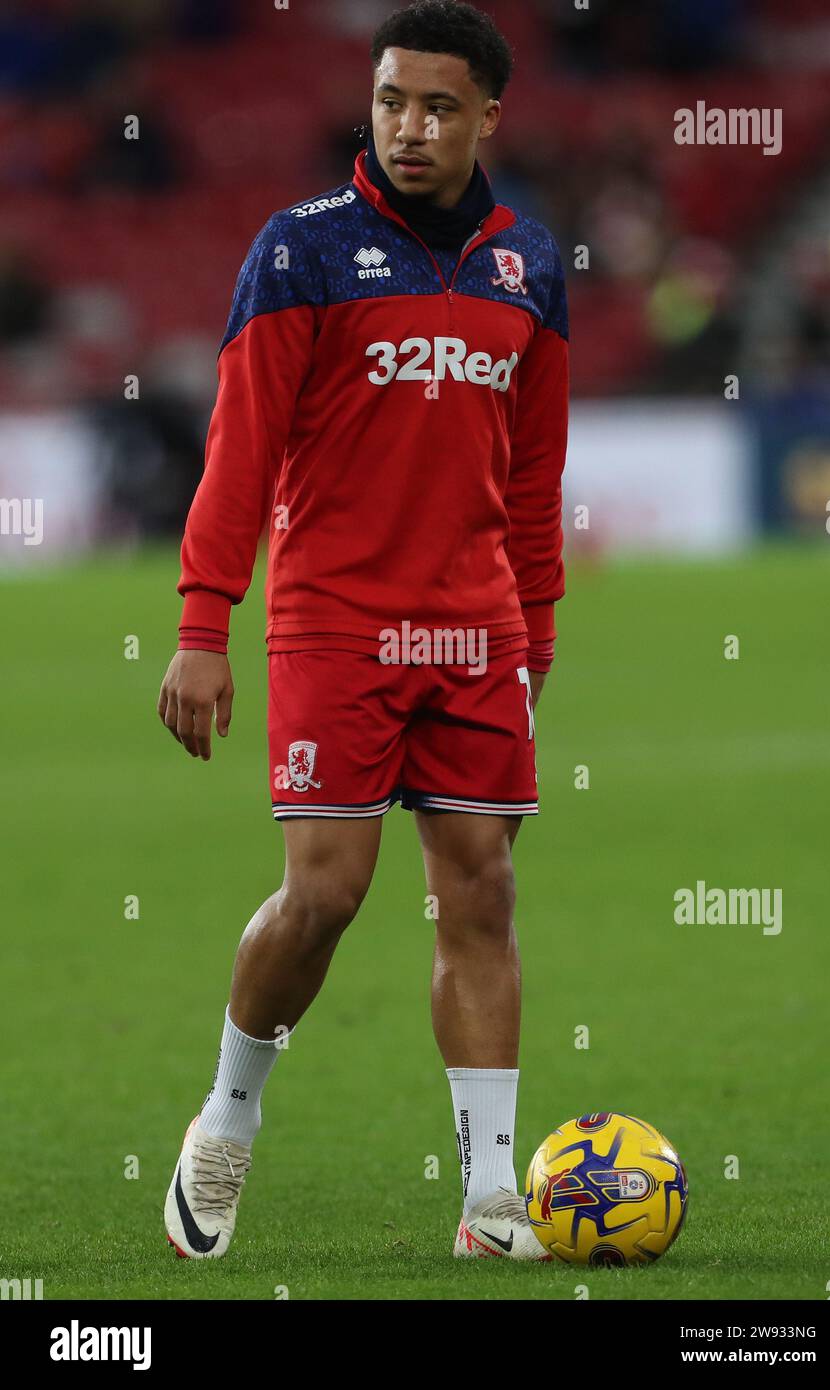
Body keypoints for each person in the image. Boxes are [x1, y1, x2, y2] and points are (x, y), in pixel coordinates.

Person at [158, 0, 568, 1261]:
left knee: (481, 893)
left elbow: (530, 478)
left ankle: (490, 1197)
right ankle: (225, 1123)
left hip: (476, 629)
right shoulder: (301, 250)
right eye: (391, 100)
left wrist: (533, 643)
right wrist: (201, 623)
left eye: (439, 106)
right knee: (325, 895)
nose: (409, 126)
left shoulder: (529, 264)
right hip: (333, 618)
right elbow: (242, 452)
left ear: (487, 114)